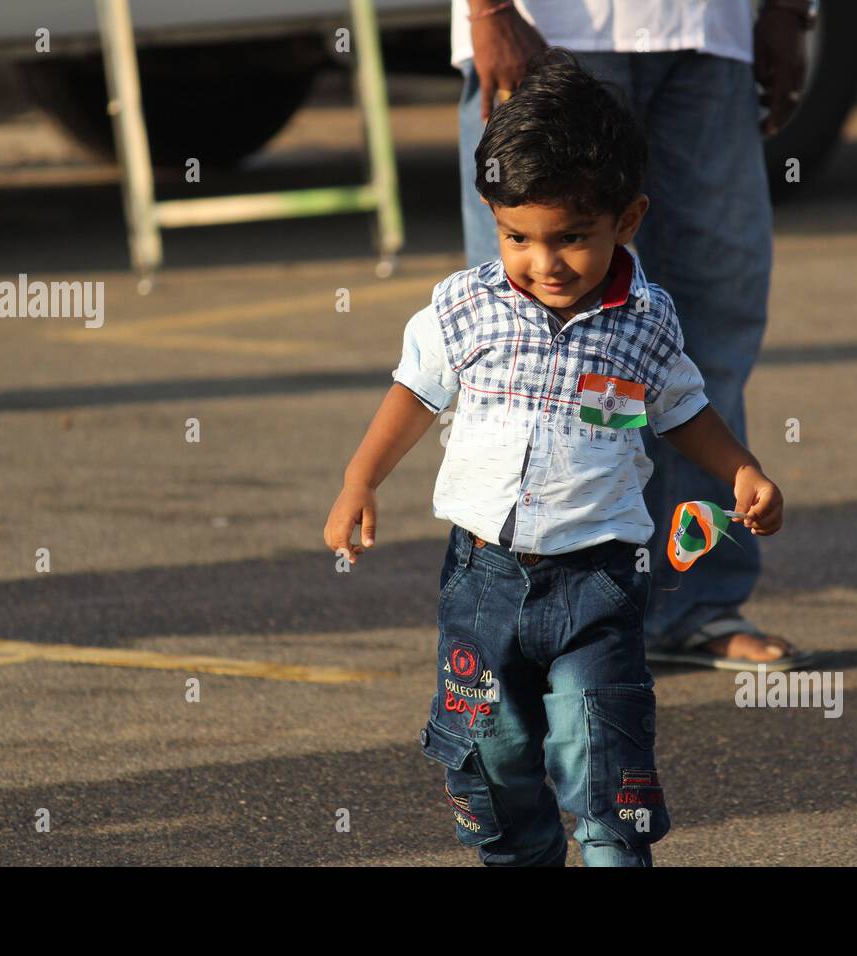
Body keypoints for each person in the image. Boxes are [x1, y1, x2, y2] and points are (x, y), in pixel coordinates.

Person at [324, 50, 786, 866]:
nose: (545, 264)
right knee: (490, 754)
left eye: (572, 238)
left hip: (601, 579)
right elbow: (413, 393)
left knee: (601, 755)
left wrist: (741, 468)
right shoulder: (466, 308)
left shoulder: (645, 321)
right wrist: (361, 481)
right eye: (518, 237)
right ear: (491, 216)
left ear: (629, 220)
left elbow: (683, 409)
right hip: (483, 579)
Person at [453, 0, 817, 670]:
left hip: (709, 31)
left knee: (709, 322)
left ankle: (692, 603)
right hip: (548, 26)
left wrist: (790, 9)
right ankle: (532, 613)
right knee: (533, 340)